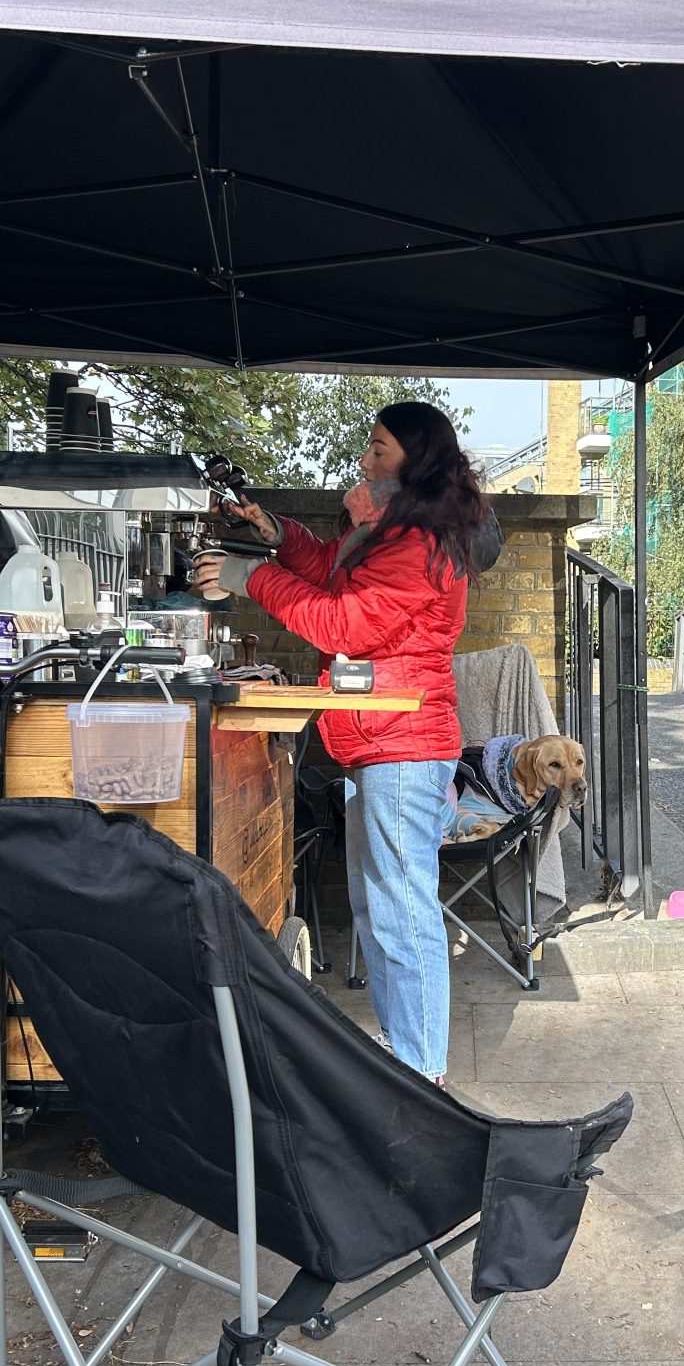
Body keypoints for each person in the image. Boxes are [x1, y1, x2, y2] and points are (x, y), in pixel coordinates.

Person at [192, 402, 488, 1085]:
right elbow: (334, 570)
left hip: (404, 744)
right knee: (378, 908)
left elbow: (341, 624)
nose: (365, 458)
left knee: (402, 911)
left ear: (416, 458)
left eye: (380, 449)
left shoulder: (418, 543)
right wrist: (278, 536)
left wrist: (248, 577)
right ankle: (404, 1051)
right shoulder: (393, 529)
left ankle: (422, 1071)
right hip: (379, 742)